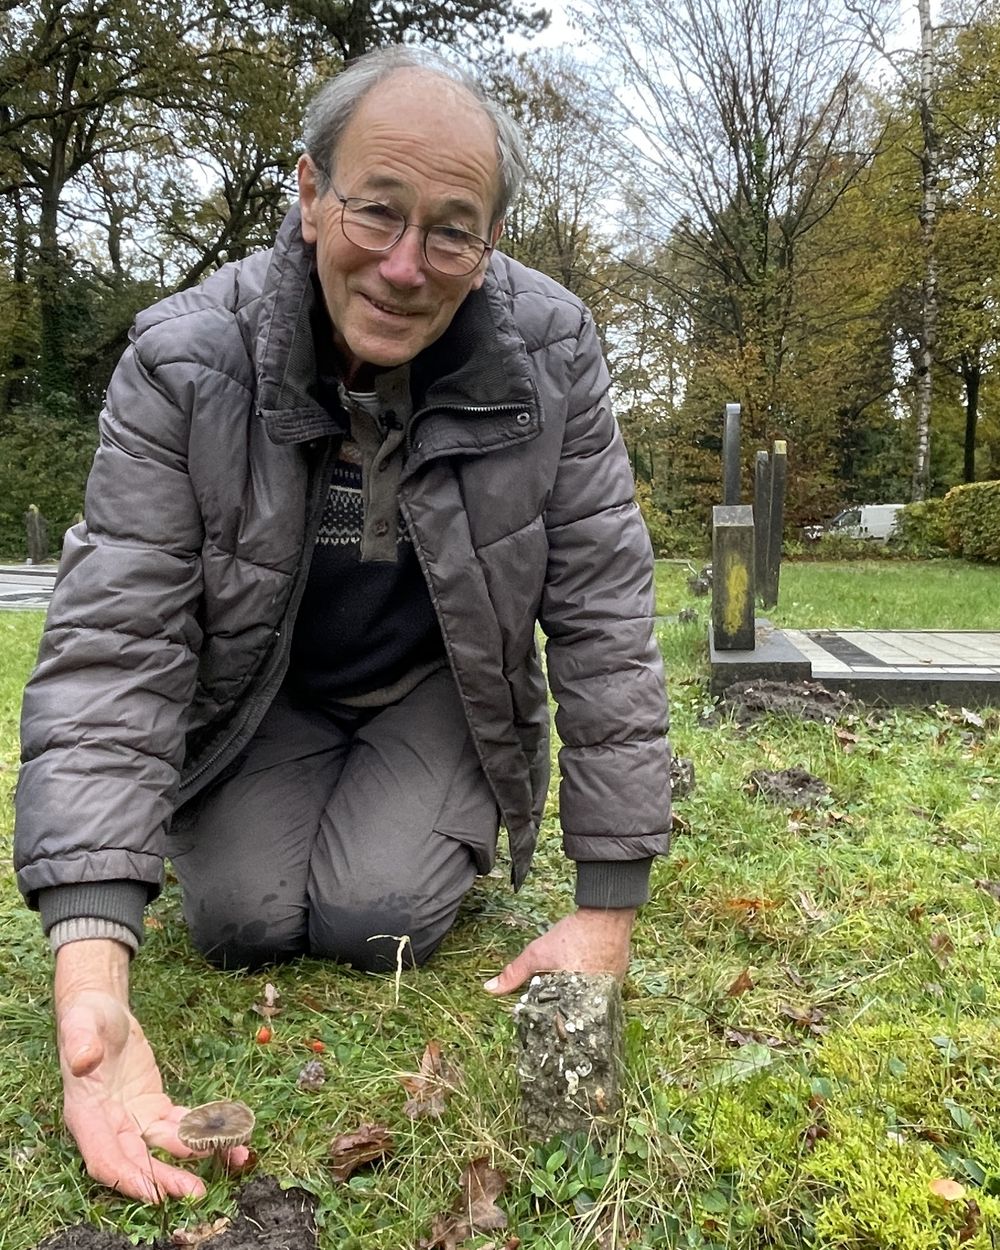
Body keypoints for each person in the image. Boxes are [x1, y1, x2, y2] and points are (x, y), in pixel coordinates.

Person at [13, 45, 671, 1203]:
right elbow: (116, 643)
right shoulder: (182, 361)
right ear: (310, 194)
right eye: (376, 209)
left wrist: (604, 903)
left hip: (434, 689)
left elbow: (603, 605)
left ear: (491, 242)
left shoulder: (551, 350)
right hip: (263, 695)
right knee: (239, 921)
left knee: (377, 916)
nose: (406, 265)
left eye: (452, 230)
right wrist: (92, 969)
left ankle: (418, 801)